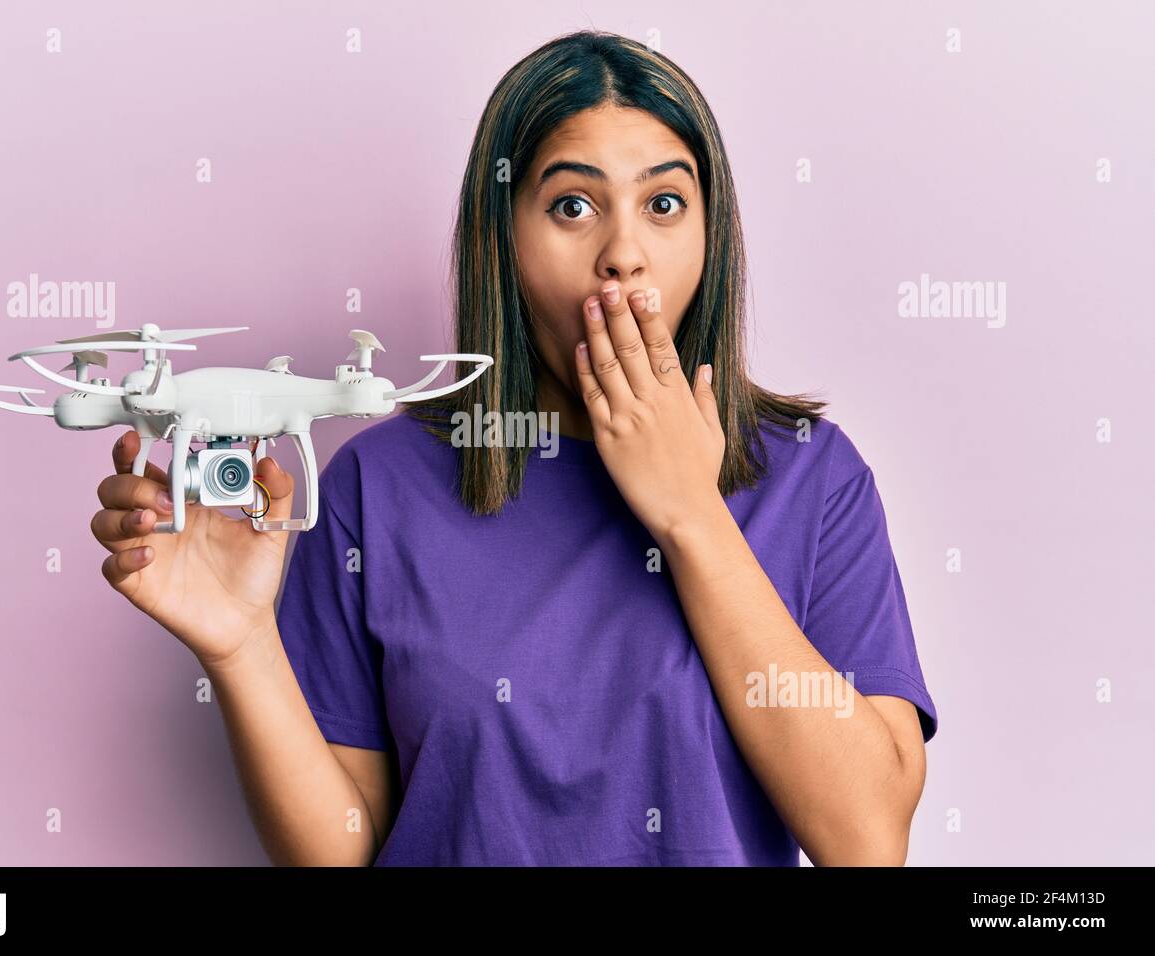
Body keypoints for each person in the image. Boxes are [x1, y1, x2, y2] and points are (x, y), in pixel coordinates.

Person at [90, 30, 937, 866]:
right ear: (502, 237)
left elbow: (866, 842)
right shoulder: (375, 487)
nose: (624, 256)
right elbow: (342, 853)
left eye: (664, 204)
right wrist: (241, 646)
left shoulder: (813, 477)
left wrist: (691, 513)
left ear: (712, 235)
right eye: (572, 205)